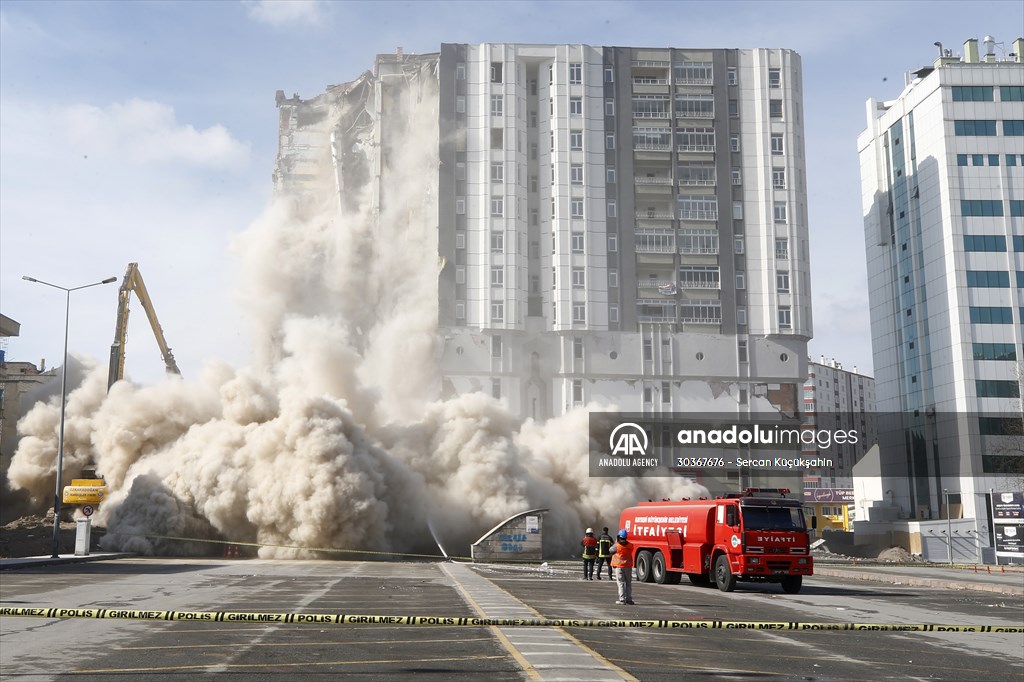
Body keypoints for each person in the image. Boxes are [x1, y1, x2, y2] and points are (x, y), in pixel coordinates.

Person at [610, 529, 634, 604]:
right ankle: (629, 599)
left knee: (620, 583)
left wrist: (616, 541)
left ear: (618, 537)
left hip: (619, 567)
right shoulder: (630, 545)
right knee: (628, 583)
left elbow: (610, 550)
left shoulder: (616, 546)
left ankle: (622, 599)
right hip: (628, 567)